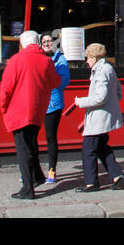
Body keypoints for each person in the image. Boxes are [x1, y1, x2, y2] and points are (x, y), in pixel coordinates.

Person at [0, 29, 63, 200]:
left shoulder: (16, 60)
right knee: (31, 144)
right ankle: (38, 177)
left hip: (19, 110)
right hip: (37, 110)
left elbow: (6, 88)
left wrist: (3, 107)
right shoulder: (46, 61)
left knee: (23, 149)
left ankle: (28, 189)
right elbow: (56, 81)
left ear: (23, 43)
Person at [74, 43, 124, 192]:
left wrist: (81, 102)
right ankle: (117, 176)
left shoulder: (101, 71)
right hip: (103, 116)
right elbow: (118, 92)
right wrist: (111, 106)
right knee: (102, 147)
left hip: (98, 118)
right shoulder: (108, 68)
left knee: (88, 150)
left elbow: (100, 98)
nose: (87, 61)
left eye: (88, 58)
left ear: (94, 57)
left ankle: (91, 183)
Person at [41, 33, 71, 184]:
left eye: (49, 41)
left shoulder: (60, 60)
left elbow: (64, 82)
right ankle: (32, 171)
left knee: (50, 137)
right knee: (30, 137)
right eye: (44, 41)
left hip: (53, 104)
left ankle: (52, 170)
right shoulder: (37, 58)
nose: (47, 43)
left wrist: (49, 75)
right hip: (36, 103)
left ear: (54, 43)